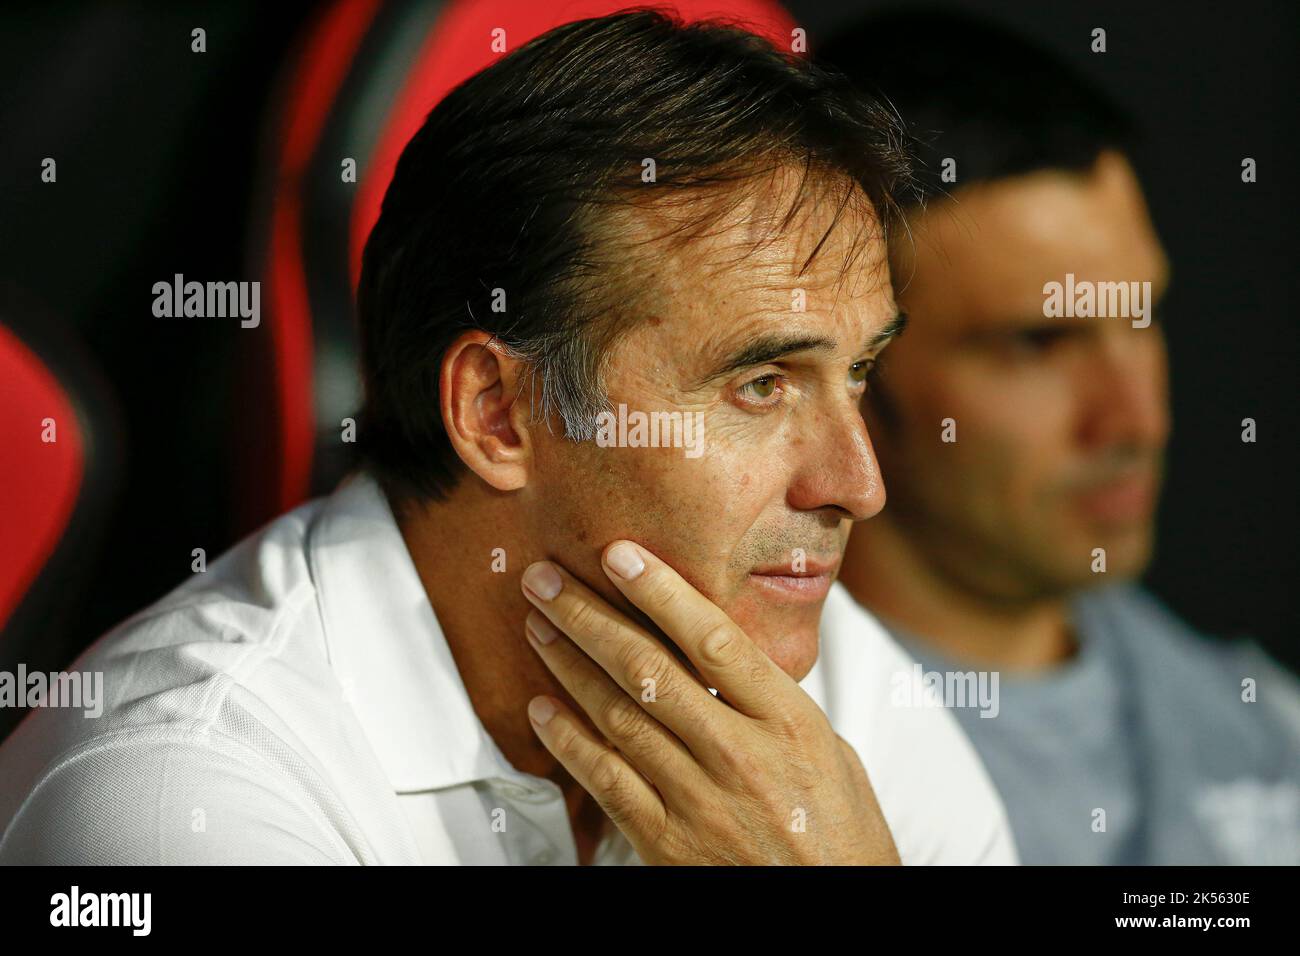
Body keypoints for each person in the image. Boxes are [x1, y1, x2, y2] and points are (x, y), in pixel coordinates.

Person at [0, 10, 1016, 865]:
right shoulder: (177, 793)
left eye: (858, 373)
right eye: (759, 384)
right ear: (497, 412)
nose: (858, 483)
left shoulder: (808, 653)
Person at [821, 10, 1300, 864]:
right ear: (852, 376)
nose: (1136, 421)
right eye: (1038, 342)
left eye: (1140, 315)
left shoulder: (1264, 727)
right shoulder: (747, 783)